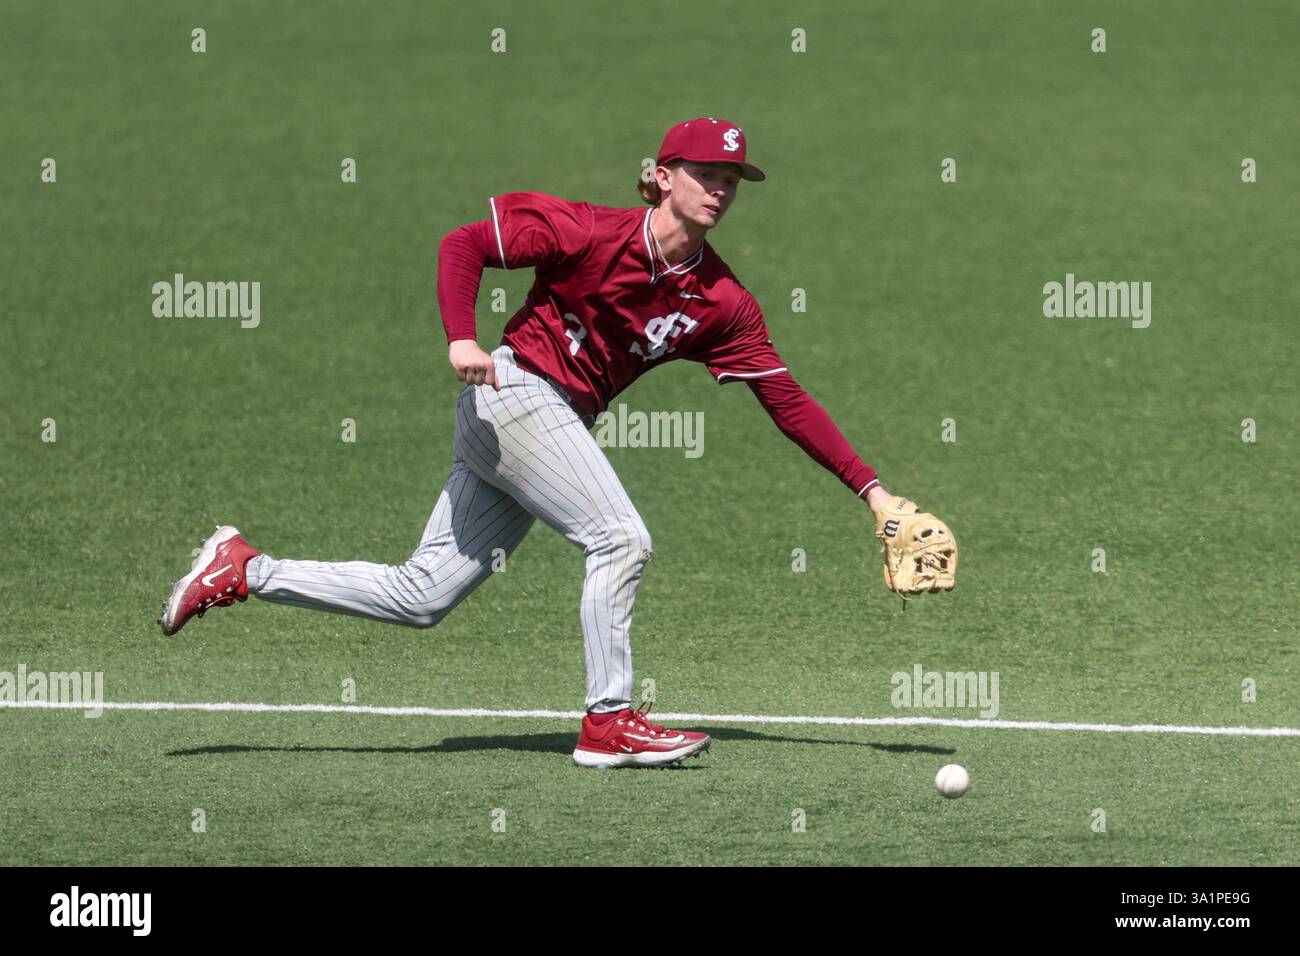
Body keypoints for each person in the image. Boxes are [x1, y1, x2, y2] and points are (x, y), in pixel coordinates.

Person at [159, 117, 896, 768]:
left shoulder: (721, 300)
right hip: (514, 397)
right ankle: (608, 722)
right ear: (663, 178)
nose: (721, 189)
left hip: (540, 427)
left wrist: (876, 492)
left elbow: (786, 398)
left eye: (732, 178)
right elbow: (465, 243)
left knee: (421, 595)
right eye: (707, 174)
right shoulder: (588, 231)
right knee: (620, 538)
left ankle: (245, 569)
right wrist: (459, 337)